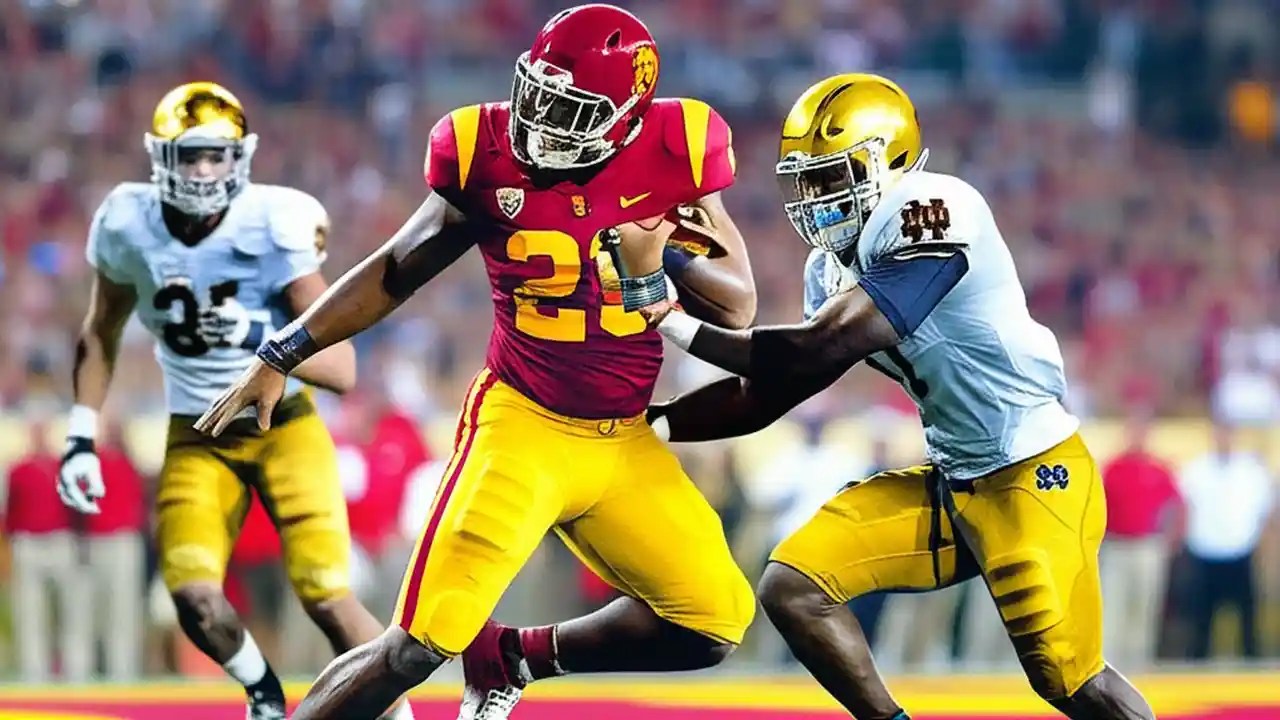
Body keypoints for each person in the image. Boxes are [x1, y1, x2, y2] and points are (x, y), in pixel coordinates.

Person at [194, 5, 759, 720]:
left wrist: (656, 262)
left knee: (714, 621)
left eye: (571, 109)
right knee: (417, 646)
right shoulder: (478, 148)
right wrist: (285, 349)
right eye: (538, 94)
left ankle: (513, 657)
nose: (542, 120)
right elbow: (398, 266)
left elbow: (739, 307)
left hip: (624, 436)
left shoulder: (681, 143)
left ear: (627, 118)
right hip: (523, 423)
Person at [641, 73, 1155, 720]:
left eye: (831, 178)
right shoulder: (828, 268)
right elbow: (768, 391)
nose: (816, 201)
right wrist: (652, 425)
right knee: (794, 586)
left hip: (1035, 475)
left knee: (1068, 679)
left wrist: (671, 311)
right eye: (806, 183)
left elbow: (819, 346)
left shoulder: (935, 207)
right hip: (956, 483)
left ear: (886, 159)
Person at [55, 81, 409, 720]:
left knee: (329, 596)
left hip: (283, 426)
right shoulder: (126, 221)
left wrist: (255, 339)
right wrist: (80, 434)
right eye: (189, 155)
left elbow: (343, 368)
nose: (202, 169)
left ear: (239, 158)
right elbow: (99, 333)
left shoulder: (275, 222)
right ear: (161, 157)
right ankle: (264, 694)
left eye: (215, 155)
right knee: (192, 595)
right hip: (196, 432)